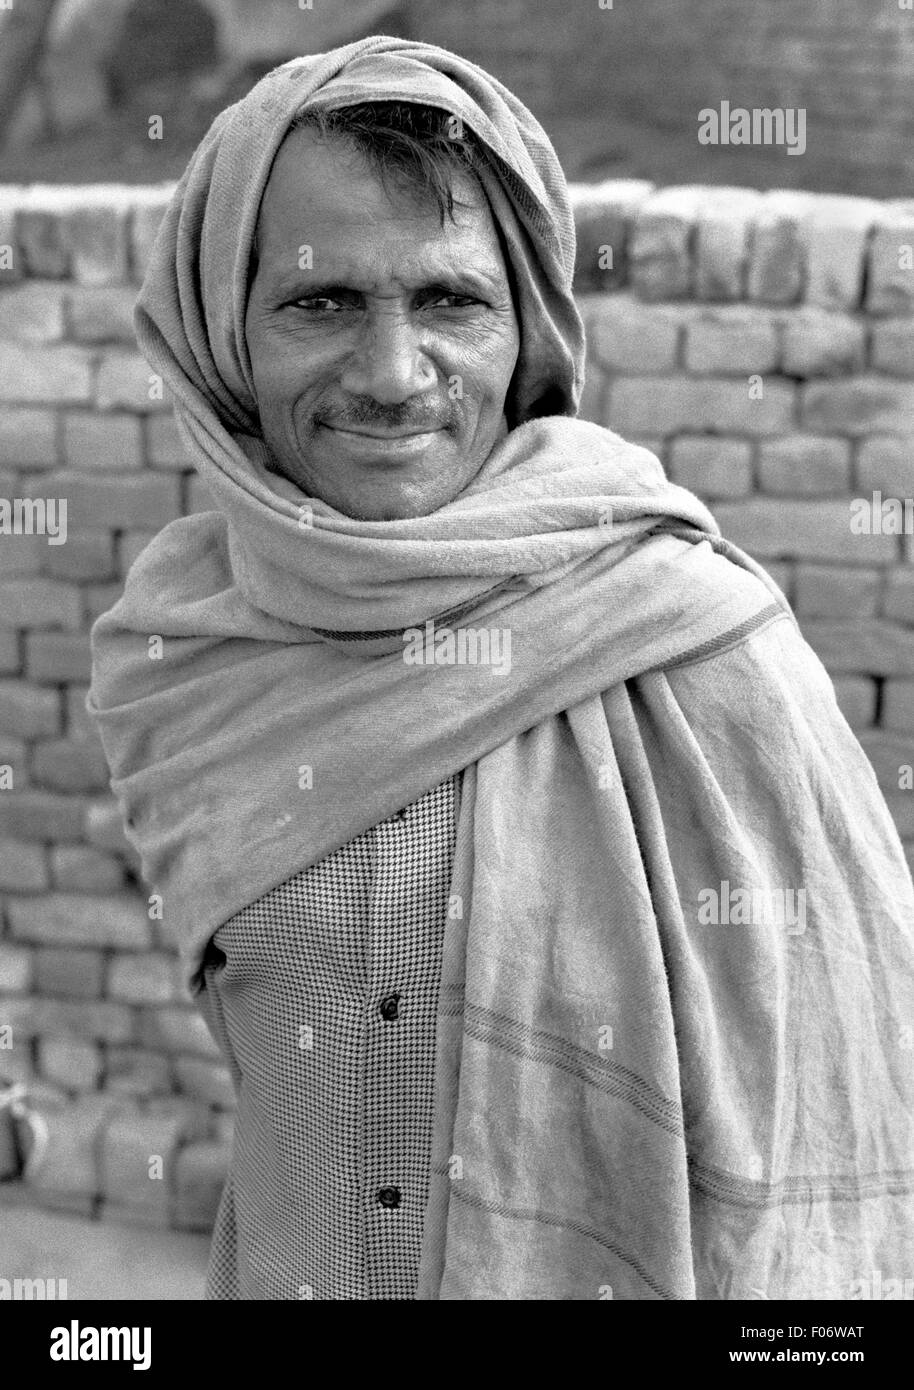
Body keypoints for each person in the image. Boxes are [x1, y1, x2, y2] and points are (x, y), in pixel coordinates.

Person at [87, 36, 914, 1300]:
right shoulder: (186, 660)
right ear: (219, 334)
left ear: (523, 325)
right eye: (319, 302)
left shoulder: (698, 646)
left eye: (449, 301)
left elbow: (837, 1128)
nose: (391, 374)